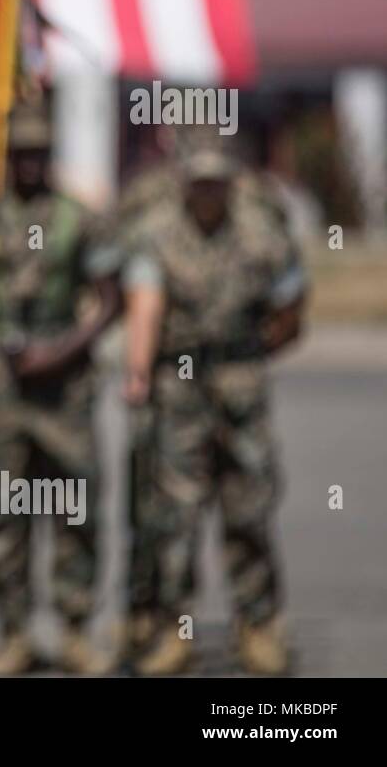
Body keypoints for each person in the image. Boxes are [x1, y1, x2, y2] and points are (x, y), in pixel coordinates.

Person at [123, 149, 305, 675]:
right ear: (184, 184)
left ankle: (259, 625)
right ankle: (174, 629)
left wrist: (251, 354)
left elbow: (291, 303)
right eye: (198, 183)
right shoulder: (159, 232)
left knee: (249, 507)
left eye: (215, 183)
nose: (207, 193)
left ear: (230, 183)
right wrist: (138, 370)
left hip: (240, 387)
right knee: (174, 516)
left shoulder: (259, 232)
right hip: (179, 388)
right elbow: (145, 302)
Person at [0, 105, 121, 675]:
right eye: (21, 153)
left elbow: (109, 299)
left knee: (73, 509)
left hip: (64, 388)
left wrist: (62, 350)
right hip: (2, 389)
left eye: (39, 153)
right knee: (0, 514)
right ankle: (13, 632)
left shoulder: (75, 218)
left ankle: (75, 628)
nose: (30, 163)